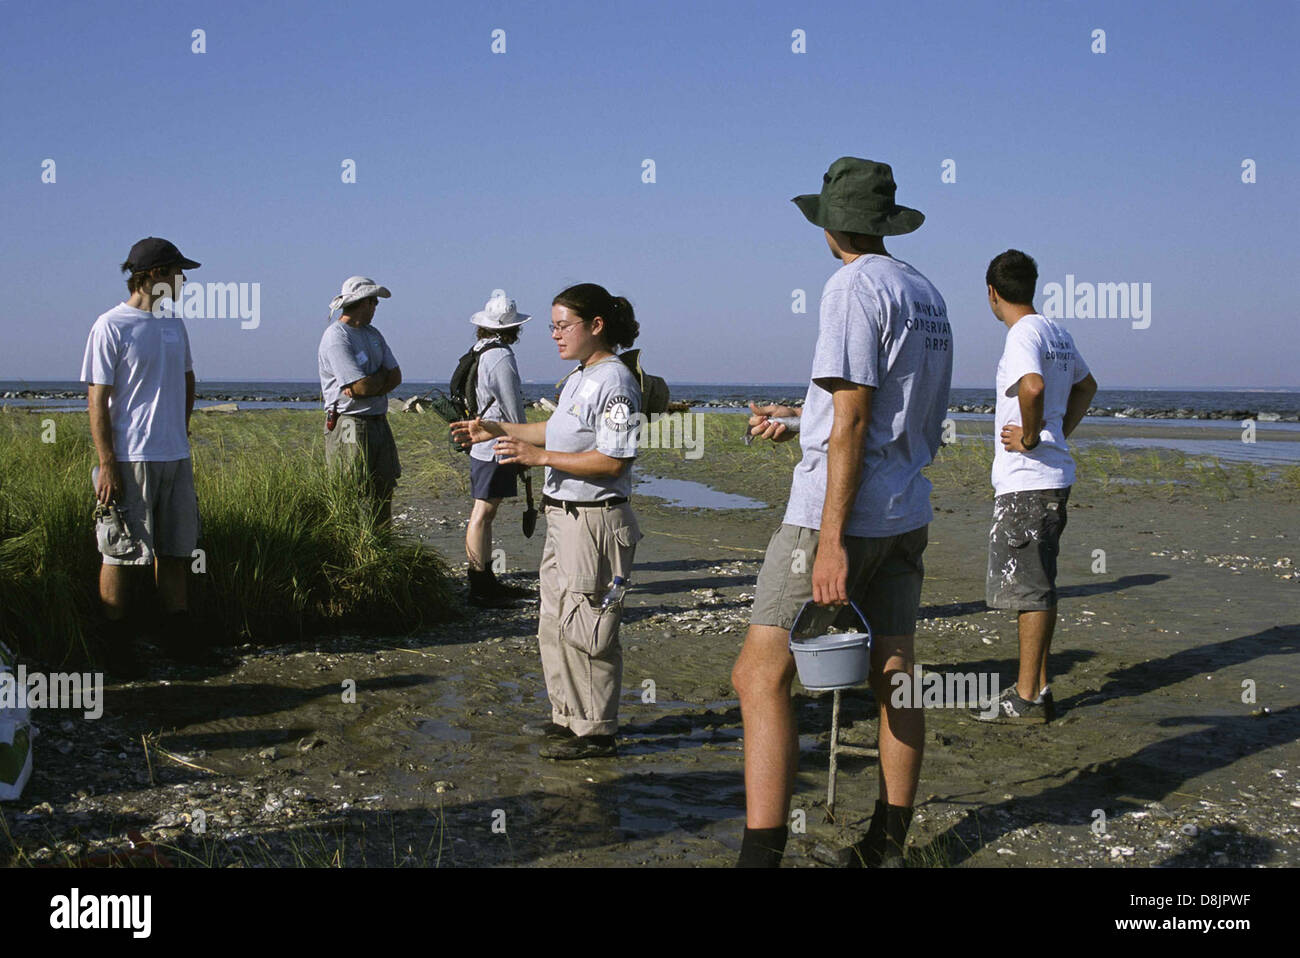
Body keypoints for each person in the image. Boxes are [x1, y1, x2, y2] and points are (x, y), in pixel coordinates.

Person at [731, 157, 953, 867]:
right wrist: (803, 419)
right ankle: (887, 844)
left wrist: (829, 542)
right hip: (905, 511)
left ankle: (759, 856)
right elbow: (883, 410)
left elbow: (856, 419)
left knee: (759, 676)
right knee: (897, 673)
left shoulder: (851, 285)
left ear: (831, 224)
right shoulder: (924, 291)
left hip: (841, 518)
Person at [451, 283, 642, 760]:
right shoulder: (580, 376)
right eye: (553, 326)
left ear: (596, 326)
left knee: (588, 627)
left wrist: (539, 458)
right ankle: (568, 717)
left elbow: (614, 460)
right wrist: (494, 428)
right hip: (565, 518)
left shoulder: (616, 381)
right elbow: (553, 430)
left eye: (563, 326)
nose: (555, 335)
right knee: (555, 621)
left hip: (595, 521)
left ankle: (596, 732)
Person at [972, 250, 1097, 723]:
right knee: (1040, 583)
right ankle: (1039, 686)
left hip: (1028, 482)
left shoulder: (1023, 333)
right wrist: (1056, 433)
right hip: (1051, 477)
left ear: (992, 293)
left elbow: (1033, 387)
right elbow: (1087, 386)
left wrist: (1029, 436)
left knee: (1029, 590)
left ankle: (1025, 697)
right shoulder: (1055, 331)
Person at [81, 237, 205, 676]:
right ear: (152, 275)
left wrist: (181, 429)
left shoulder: (174, 326)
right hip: (131, 457)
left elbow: (188, 380)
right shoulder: (110, 326)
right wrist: (107, 462)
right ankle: (116, 647)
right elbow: (97, 399)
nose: (182, 280)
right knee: (120, 551)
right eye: (176, 272)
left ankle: (177, 638)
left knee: (174, 550)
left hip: (175, 454)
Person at [463, 290, 533, 606]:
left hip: (482, 442)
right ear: (512, 328)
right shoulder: (501, 356)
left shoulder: (478, 350)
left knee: (483, 511)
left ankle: (484, 578)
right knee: (483, 512)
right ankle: (480, 583)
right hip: (496, 444)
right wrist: (524, 445)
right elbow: (512, 406)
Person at [317, 276, 403, 525]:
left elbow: (395, 376)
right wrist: (374, 382)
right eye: (374, 302)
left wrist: (369, 385)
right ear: (363, 303)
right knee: (349, 489)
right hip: (349, 422)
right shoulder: (336, 336)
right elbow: (359, 386)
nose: (376, 307)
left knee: (384, 488)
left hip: (377, 419)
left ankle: (381, 546)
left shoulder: (373, 334)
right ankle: (351, 550)